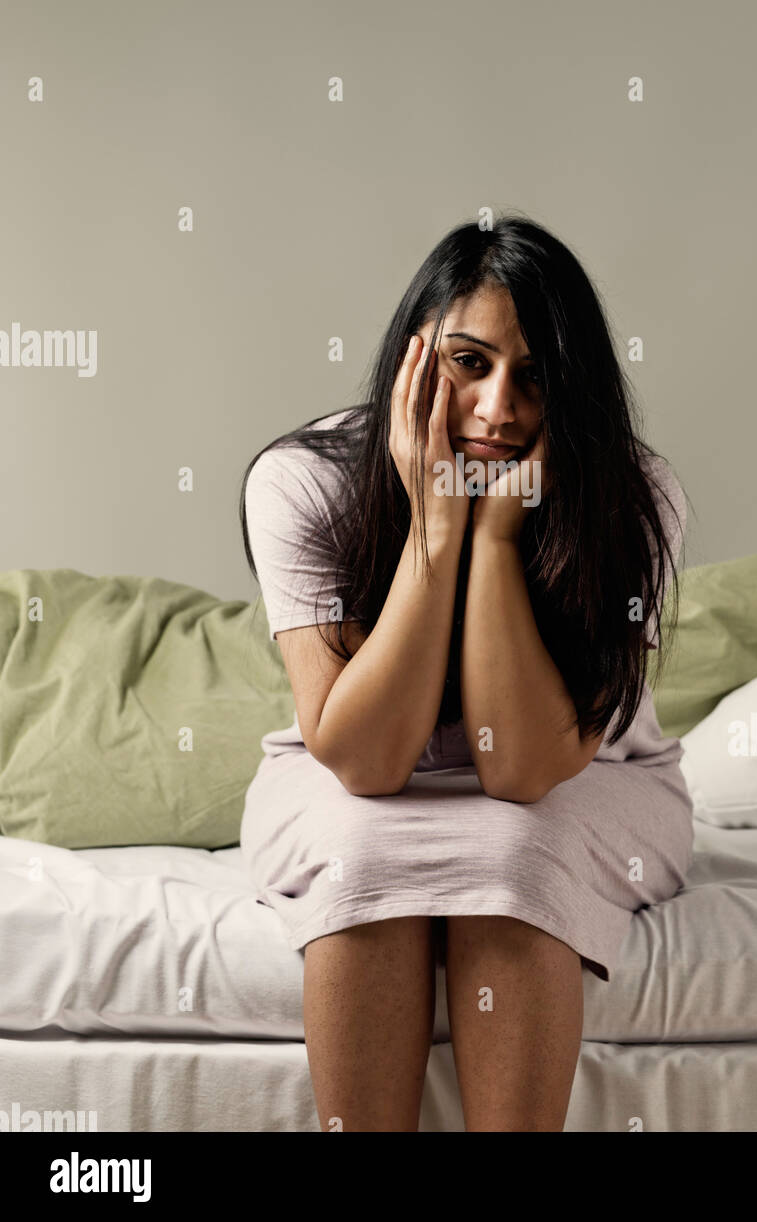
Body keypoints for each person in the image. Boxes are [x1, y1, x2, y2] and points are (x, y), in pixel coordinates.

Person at [238, 213, 694, 1132]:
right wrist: (436, 527)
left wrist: (495, 534)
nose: (497, 411)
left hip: (588, 778)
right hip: (350, 767)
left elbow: (521, 774)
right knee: (366, 851)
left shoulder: (634, 495)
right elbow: (363, 764)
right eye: (469, 363)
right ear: (415, 357)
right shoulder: (301, 480)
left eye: (534, 376)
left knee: (511, 852)